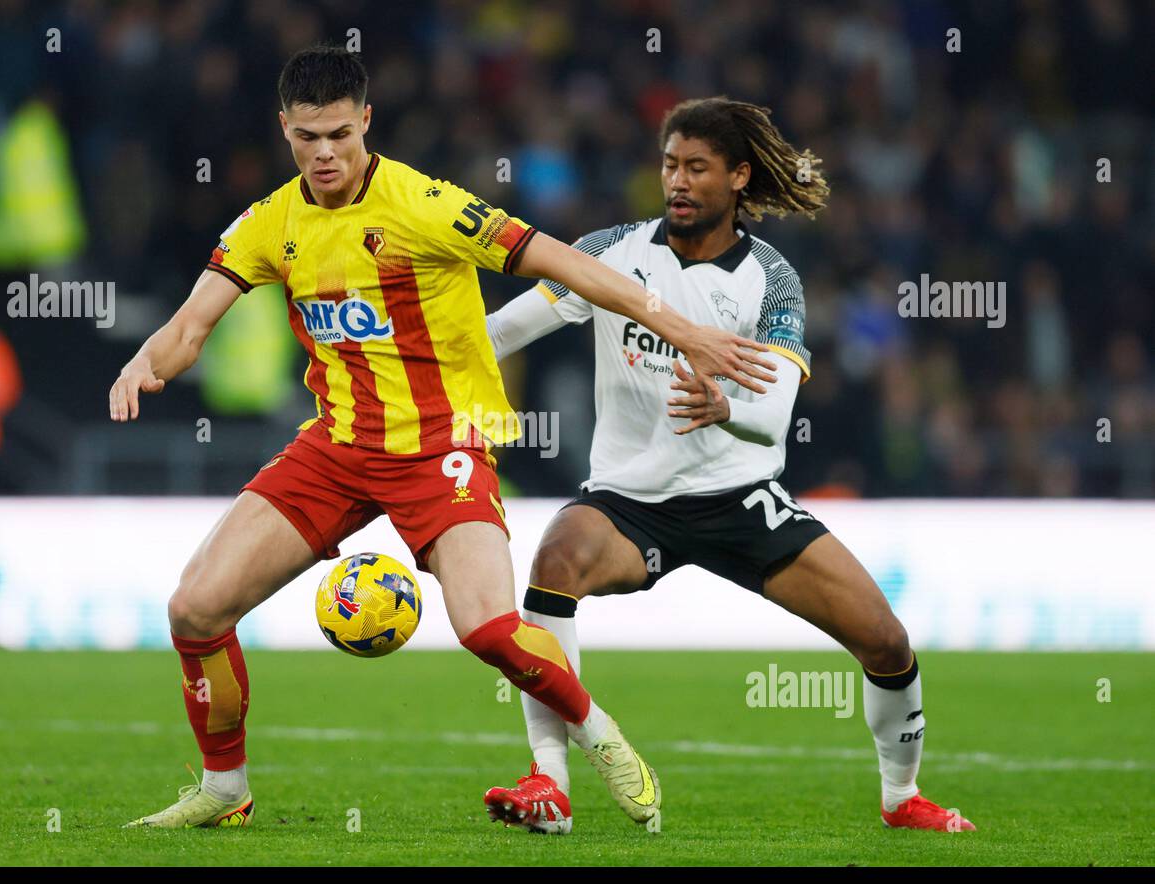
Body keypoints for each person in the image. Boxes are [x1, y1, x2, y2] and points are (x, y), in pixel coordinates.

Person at [108, 48, 777, 829]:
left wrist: (682, 329)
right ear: (283, 129)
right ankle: (224, 791)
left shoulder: (425, 206)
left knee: (488, 628)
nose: (323, 154)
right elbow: (192, 324)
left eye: (337, 135)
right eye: (305, 139)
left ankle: (602, 736)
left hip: (441, 447)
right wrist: (144, 360)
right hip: (337, 448)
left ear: (366, 121)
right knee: (194, 608)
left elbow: (563, 265)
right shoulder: (268, 223)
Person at [482, 96, 975, 834]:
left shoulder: (771, 282)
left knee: (886, 640)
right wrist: (422, 363)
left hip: (738, 499)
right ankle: (549, 784)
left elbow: (773, 417)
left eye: (697, 168)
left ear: (739, 177)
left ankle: (902, 798)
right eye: (669, 164)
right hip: (627, 501)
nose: (677, 181)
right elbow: (508, 327)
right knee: (555, 560)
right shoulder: (612, 251)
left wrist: (726, 410)